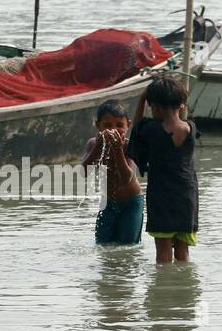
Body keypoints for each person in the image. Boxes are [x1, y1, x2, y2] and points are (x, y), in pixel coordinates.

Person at [127, 75, 199, 264]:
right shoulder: (191, 128)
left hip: (161, 196)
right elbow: (179, 119)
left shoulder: (151, 130)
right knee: (183, 254)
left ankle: (164, 290)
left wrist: (142, 100)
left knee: (163, 253)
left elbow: (135, 129)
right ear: (181, 105)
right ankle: (183, 290)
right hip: (187, 195)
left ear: (155, 107)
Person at [82, 100, 144, 246]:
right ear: (98, 126)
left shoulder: (128, 146)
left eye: (120, 125)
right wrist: (98, 147)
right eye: (108, 126)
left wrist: (117, 149)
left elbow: (127, 178)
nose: (114, 130)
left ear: (128, 125)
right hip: (108, 203)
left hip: (131, 203)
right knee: (103, 245)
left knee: (128, 247)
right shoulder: (93, 144)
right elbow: (84, 172)